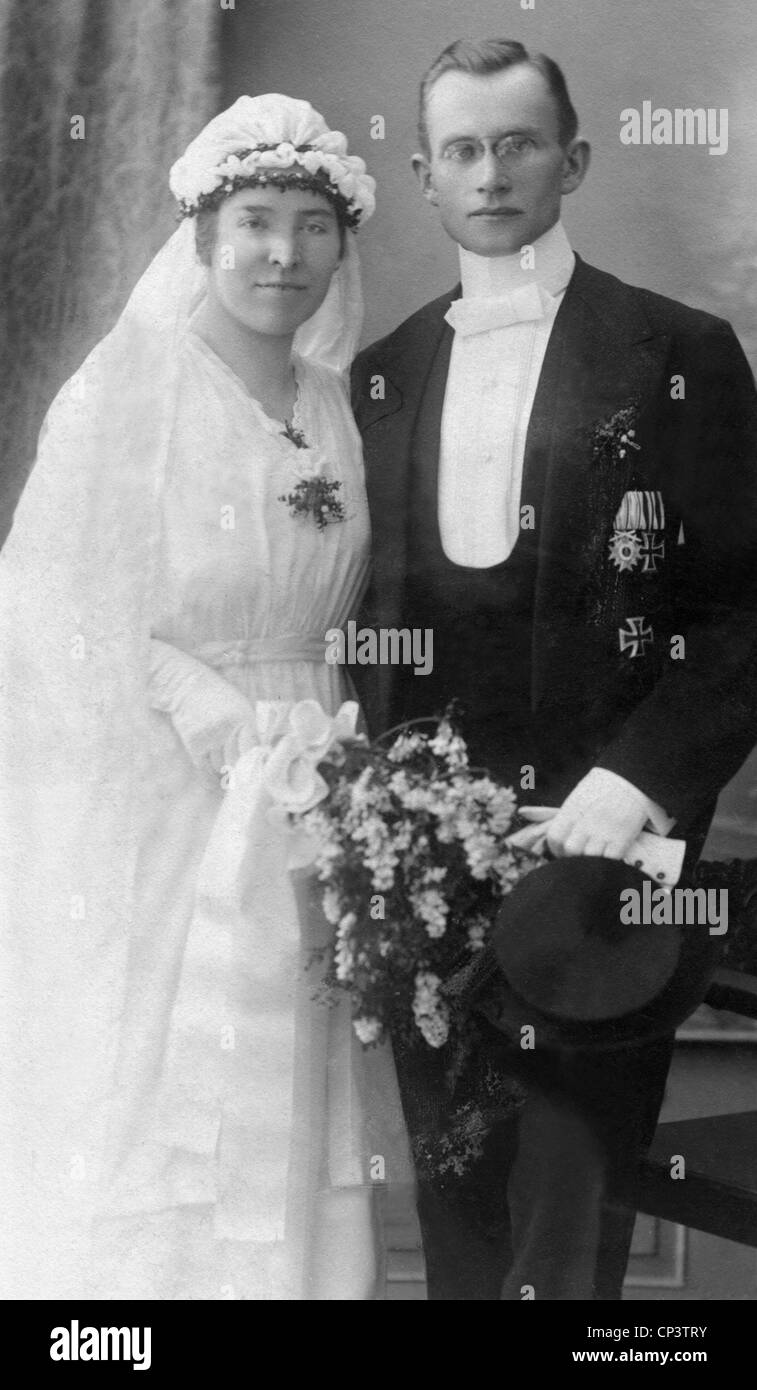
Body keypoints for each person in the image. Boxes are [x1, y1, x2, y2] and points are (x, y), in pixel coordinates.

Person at [351, 38, 757, 1299]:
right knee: (458, 1202)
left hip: (602, 866)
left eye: (518, 143)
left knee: (567, 1238)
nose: (490, 173)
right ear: (422, 174)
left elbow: (743, 612)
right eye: (462, 150)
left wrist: (630, 788)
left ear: (571, 159)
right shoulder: (384, 374)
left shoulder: (677, 351)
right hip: (427, 872)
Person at [0, 93, 406, 1301]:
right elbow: (54, 599)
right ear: (203, 235)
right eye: (254, 222)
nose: (283, 255)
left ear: (342, 244)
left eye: (311, 227)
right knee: (164, 1066)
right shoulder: (127, 392)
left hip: (304, 776)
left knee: (290, 1062)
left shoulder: (332, 404)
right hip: (161, 788)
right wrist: (206, 710)